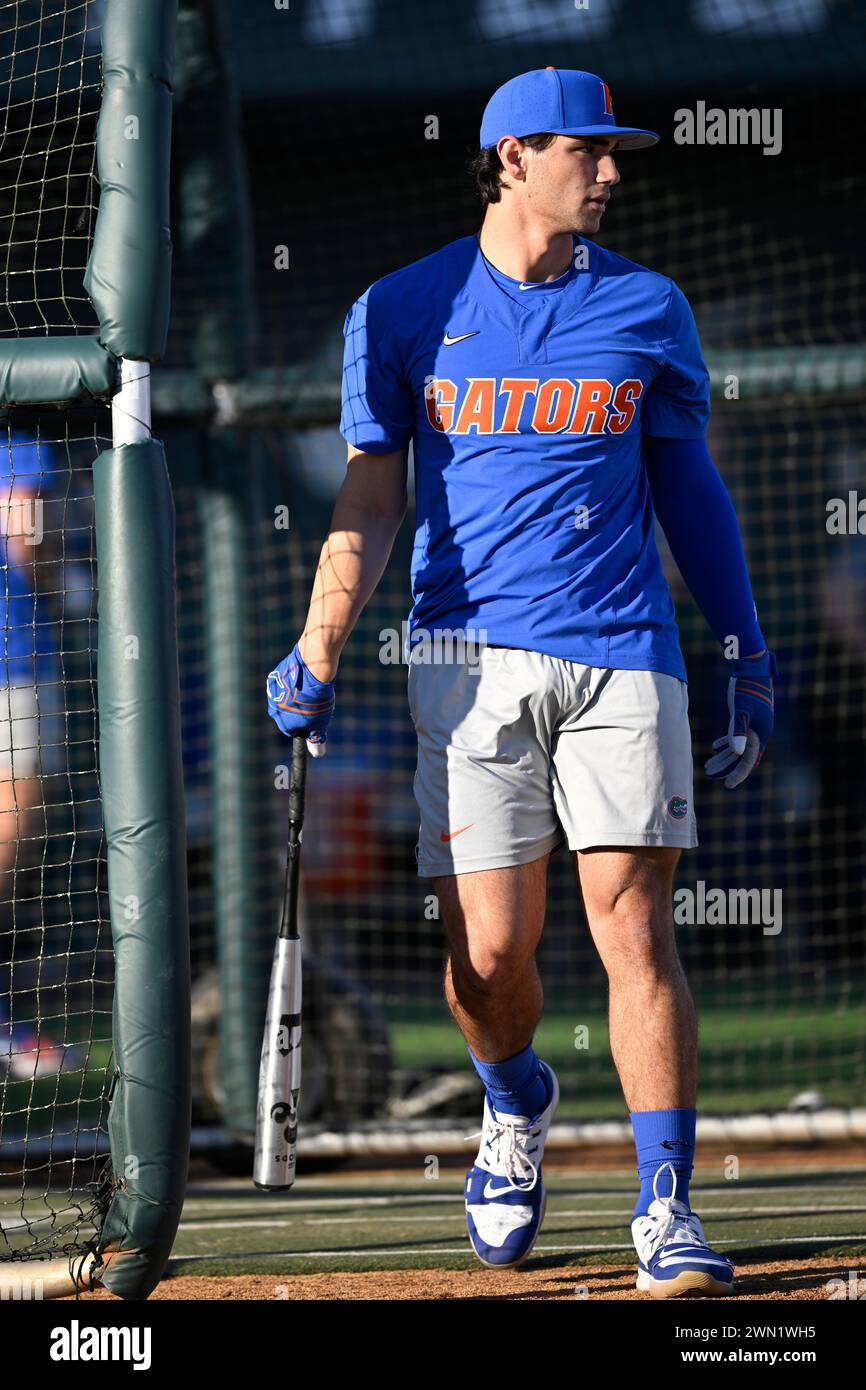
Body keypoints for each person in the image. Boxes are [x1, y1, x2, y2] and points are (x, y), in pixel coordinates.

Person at [267, 69, 776, 1299]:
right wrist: (317, 644)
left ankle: (666, 1208)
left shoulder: (648, 307)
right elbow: (372, 493)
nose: (610, 171)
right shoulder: (399, 307)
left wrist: (743, 648)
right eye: (585, 151)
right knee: (488, 954)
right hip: (460, 656)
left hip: (624, 651)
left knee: (635, 928)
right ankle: (514, 1099)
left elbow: (689, 492)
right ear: (509, 158)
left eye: (613, 152)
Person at [0, 434, 67, 1080]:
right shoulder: (23, 446)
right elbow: (30, 542)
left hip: (16, 664)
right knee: (14, 825)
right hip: (13, 663)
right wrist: (68, 582)